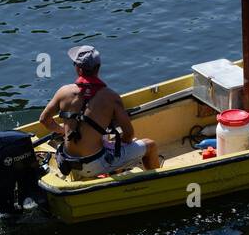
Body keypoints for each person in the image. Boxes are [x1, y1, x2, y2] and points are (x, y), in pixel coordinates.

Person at [39, 45, 161, 178]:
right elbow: (129, 135)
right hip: (94, 165)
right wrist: (115, 146)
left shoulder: (63, 92)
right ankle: (154, 183)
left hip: (67, 161)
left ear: (78, 69)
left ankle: (113, 170)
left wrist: (63, 131)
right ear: (98, 67)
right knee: (150, 145)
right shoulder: (111, 97)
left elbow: (44, 120)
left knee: (102, 137)